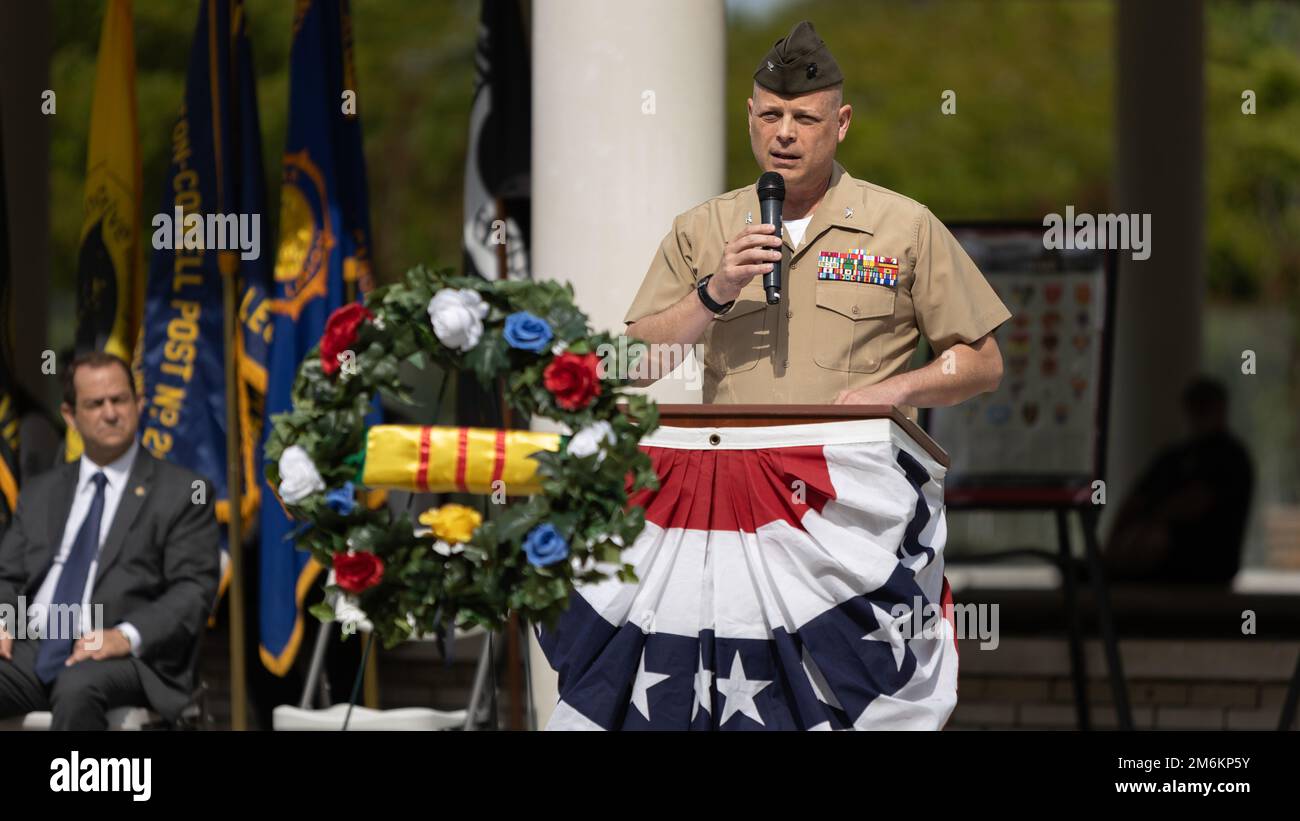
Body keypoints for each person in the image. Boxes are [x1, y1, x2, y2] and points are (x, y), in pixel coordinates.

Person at [624, 21, 1010, 418]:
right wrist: (713, 293)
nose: (785, 134)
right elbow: (628, 366)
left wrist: (896, 390)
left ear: (841, 123)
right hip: (738, 468)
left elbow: (983, 364)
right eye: (771, 115)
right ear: (750, 116)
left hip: (853, 469)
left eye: (805, 119)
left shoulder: (906, 226)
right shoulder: (699, 229)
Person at [0, 351, 219, 729]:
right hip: (35, 644)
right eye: (95, 404)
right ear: (70, 415)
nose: (111, 413)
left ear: (139, 403)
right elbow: (8, 576)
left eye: (119, 400)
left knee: (76, 687)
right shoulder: (41, 491)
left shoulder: (183, 491)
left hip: (127, 657)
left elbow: (193, 590)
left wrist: (124, 636)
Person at [1103, 377, 1254, 584]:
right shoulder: (1174, 456)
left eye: (1204, 406)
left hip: (1208, 562)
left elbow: (1194, 503)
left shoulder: (1230, 457)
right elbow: (1135, 500)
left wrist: (1147, 525)